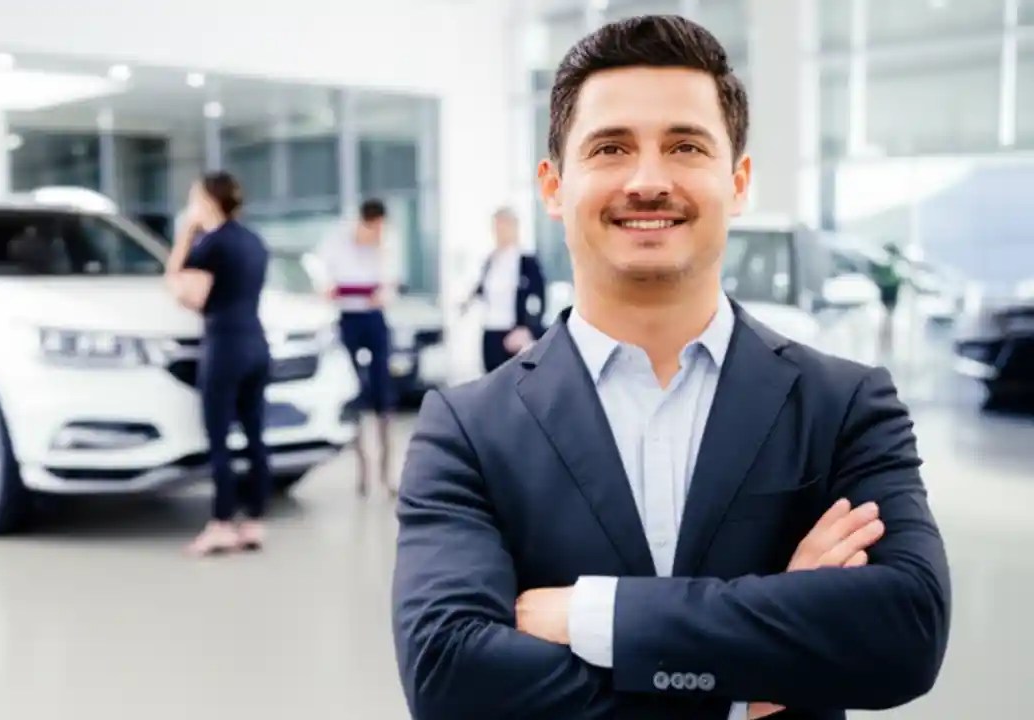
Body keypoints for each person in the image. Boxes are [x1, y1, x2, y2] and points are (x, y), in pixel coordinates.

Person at [392, 15, 949, 720]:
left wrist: (596, 616)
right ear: (554, 186)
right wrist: (750, 680)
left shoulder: (841, 405)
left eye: (685, 146)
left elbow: (907, 630)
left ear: (738, 181)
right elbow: (449, 678)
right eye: (610, 148)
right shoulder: (468, 430)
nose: (648, 180)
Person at [166, 172, 272, 556]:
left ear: (208, 202)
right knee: (256, 435)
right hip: (257, 344)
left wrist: (185, 237)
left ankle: (221, 524)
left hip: (224, 345)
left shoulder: (212, 244)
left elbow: (188, 292)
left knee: (219, 439)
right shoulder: (254, 241)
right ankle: (255, 521)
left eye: (194, 199)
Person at [315, 198, 398, 497]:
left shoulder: (385, 243)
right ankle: (362, 474)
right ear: (363, 223)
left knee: (383, 395)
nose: (377, 235)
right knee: (353, 393)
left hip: (375, 319)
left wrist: (385, 290)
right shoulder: (337, 241)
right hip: (347, 319)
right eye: (373, 229)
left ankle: (386, 477)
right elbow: (325, 282)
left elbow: (389, 285)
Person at [463, 207, 548, 372]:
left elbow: (538, 297)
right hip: (491, 329)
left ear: (514, 227)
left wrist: (528, 328)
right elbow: (484, 288)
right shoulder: (491, 260)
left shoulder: (525, 261)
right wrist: (467, 302)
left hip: (514, 332)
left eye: (503, 227)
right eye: (495, 228)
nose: (498, 232)